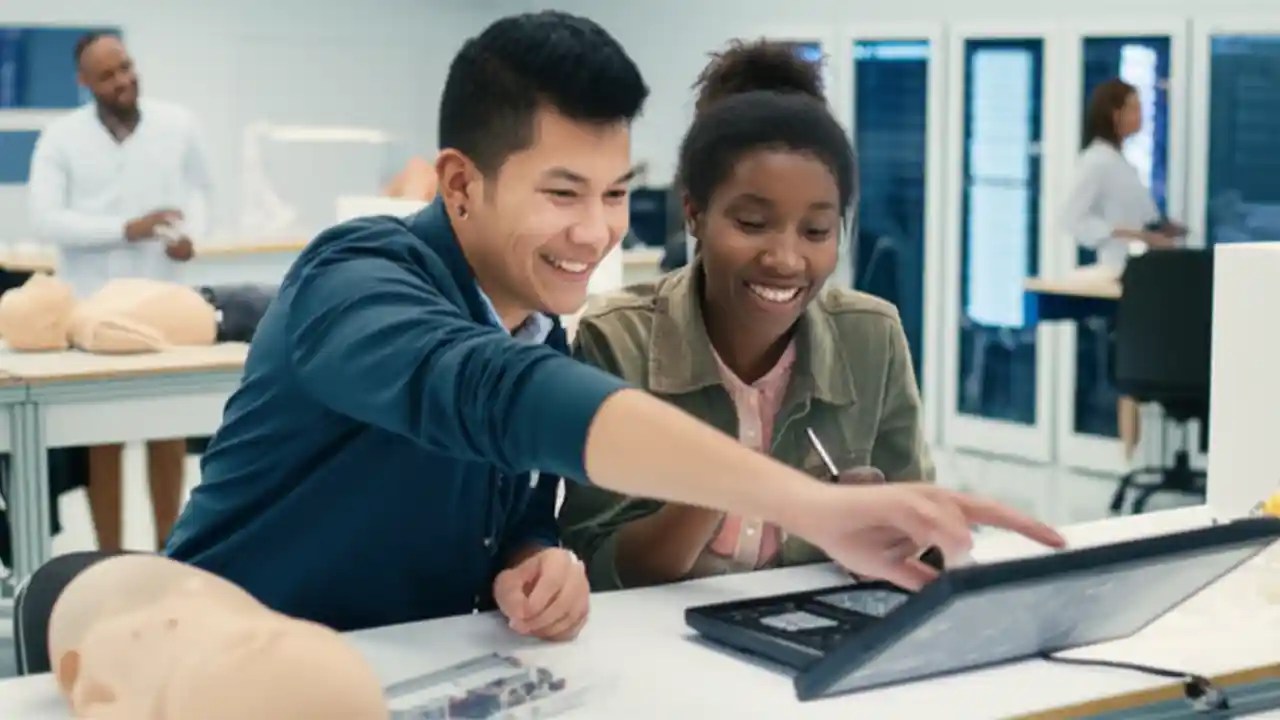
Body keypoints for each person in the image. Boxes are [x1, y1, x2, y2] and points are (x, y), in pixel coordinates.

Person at [165, 11, 1063, 640]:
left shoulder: (535, 328)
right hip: (217, 664)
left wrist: (534, 554)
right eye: (562, 192)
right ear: (462, 184)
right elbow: (493, 397)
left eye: (614, 193)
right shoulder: (356, 278)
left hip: (400, 674)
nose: (595, 233)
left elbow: (516, 506)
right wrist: (805, 504)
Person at [558, 41, 933, 590]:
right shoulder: (618, 339)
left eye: (816, 230)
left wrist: (883, 529)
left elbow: (920, 546)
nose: (785, 259)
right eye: (753, 221)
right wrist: (725, 485)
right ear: (695, 210)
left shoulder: (871, 336)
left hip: (819, 639)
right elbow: (600, 565)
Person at [27, 31, 213, 553]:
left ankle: (168, 551)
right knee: (104, 436)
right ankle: (109, 559)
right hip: (93, 309)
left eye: (126, 67)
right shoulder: (61, 138)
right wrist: (126, 228)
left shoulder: (178, 124)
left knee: (166, 434)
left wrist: (192, 236)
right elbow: (45, 219)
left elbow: (202, 191)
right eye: (107, 75)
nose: (123, 81)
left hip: (164, 303)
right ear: (84, 83)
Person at [1061, 78, 1188, 463]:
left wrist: (1161, 230)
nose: (1141, 116)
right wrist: (1130, 234)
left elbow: (1139, 218)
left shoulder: (1120, 163)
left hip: (1146, 275)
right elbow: (1073, 219)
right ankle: (1126, 461)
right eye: (1133, 107)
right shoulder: (1097, 161)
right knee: (1132, 367)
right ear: (1114, 114)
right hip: (1121, 273)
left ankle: (1136, 457)